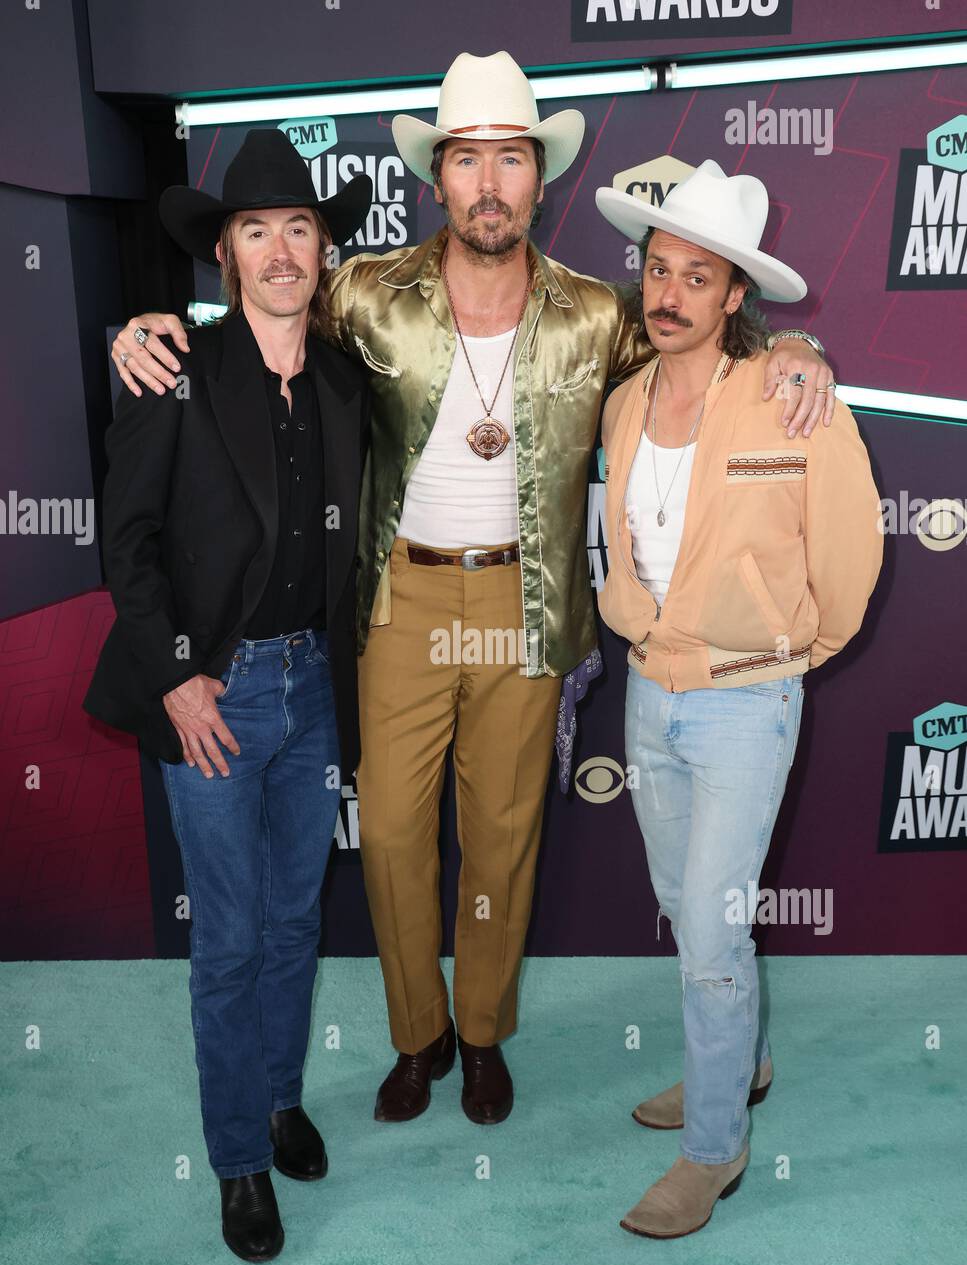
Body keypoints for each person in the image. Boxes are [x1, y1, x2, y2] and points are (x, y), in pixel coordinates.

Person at [108, 52, 833, 1131]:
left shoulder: (599, 312)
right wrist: (144, 327)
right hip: (395, 603)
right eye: (466, 161)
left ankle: (483, 1031)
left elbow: (708, 331)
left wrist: (796, 349)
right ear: (435, 178)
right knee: (394, 836)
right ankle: (420, 1035)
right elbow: (258, 333)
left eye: (509, 160)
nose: (488, 183)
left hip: (526, 605)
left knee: (502, 831)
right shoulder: (364, 291)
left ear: (537, 180)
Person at [84, 131, 373, 1261]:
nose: (281, 249)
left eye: (299, 227)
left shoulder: (348, 382)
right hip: (214, 694)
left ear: (322, 246)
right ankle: (238, 1162)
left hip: (312, 688)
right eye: (256, 230)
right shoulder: (174, 367)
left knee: (297, 920)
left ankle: (275, 1097)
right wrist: (175, 681)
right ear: (225, 254)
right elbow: (130, 542)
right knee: (234, 939)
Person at [594, 160, 883, 1238]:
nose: (668, 294)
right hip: (647, 691)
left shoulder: (787, 391)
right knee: (688, 911)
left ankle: (712, 1148)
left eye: (695, 278)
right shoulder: (623, 403)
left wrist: (790, 652)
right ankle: (742, 1062)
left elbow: (850, 549)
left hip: (745, 703)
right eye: (656, 271)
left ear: (732, 297)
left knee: (714, 931)